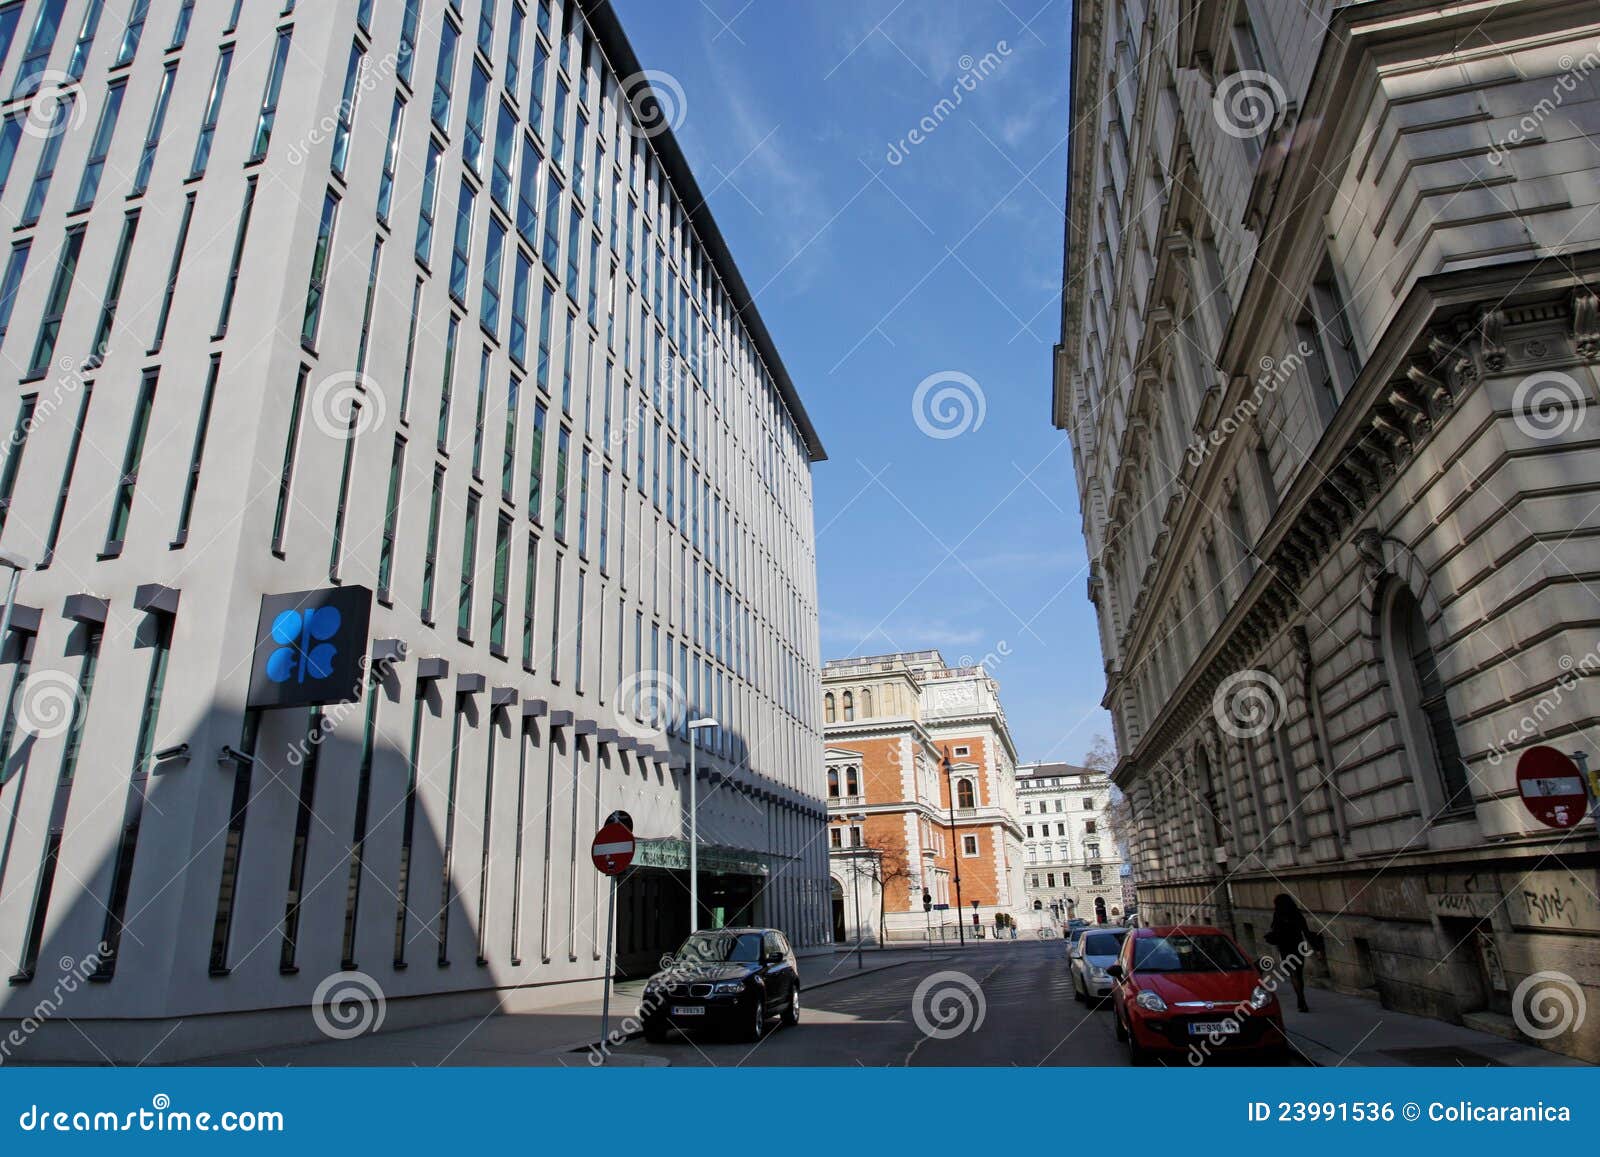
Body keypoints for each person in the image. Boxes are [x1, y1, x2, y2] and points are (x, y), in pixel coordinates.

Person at [1265, 893, 1315, 1013]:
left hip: (1285, 947)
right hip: (1297, 946)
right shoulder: (1296, 913)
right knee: (1299, 973)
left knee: (1293, 974)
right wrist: (1315, 947)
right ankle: (1301, 999)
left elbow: (1275, 931)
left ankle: (1300, 999)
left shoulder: (1278, 914)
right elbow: (1306, 931)